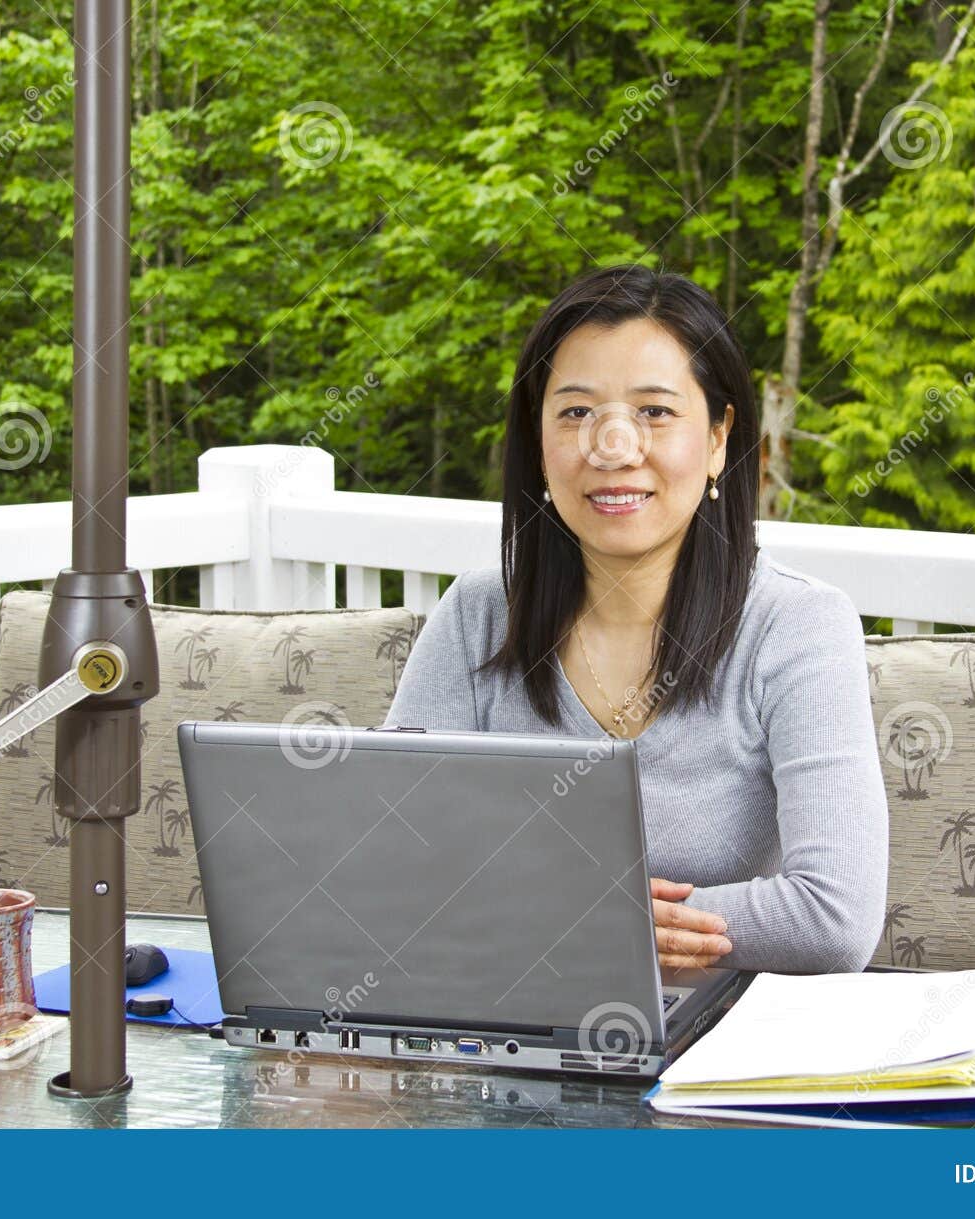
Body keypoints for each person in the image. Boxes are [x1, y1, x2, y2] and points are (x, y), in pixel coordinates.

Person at [381, 263, 889, 974]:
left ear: (717, 439)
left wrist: (588, 919)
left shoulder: (800, 627)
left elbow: (833, 917)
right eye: (577, 412)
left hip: (719, 1058)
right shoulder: (476, 614)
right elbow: (382, 865)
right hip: (498, 1038)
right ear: (537, 441)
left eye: (655, 411)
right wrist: (590, 919)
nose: (612, 448)